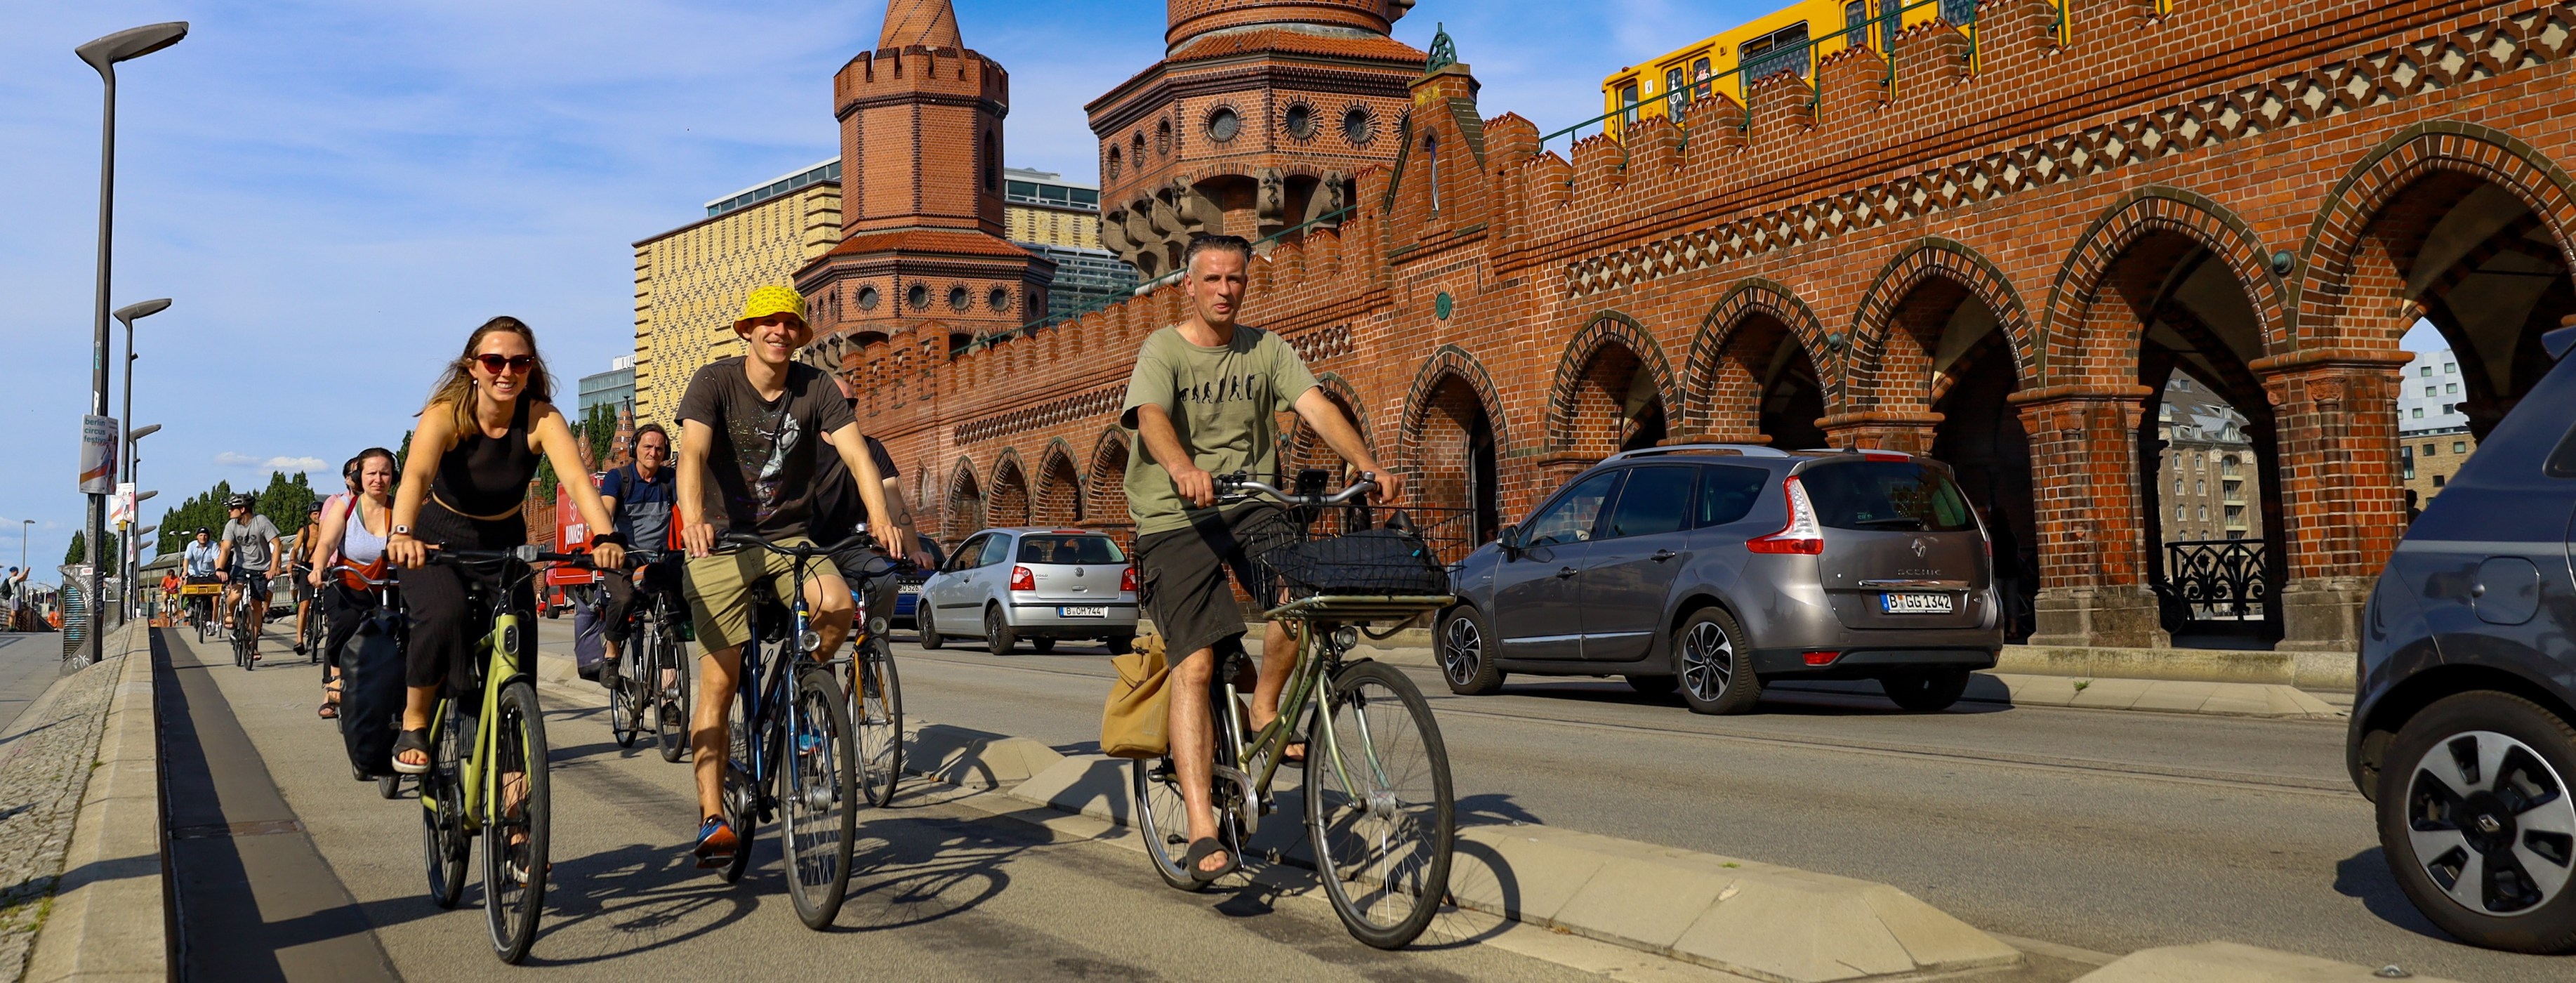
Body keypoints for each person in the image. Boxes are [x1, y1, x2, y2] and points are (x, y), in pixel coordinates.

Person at [1118, 235, 1397, 883]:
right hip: (1175, 516)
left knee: (1297, 603)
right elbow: (1151, 416)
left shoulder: (1266, 349)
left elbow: (1315, 406)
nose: (1224, 290)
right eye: (1212, 279)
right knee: (1195, 664)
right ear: (1188, 286)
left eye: (1235, 279)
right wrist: (1181, 467)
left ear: (1246, 284)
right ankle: (1201, 827)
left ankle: (1263, 707)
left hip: (1251, 504)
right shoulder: (1163, 350)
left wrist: (1367, 463)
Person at [673, 284, 897, 867]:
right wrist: (693, 520)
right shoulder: (714, 382)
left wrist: (880, 516)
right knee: (719, 683)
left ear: (800, 335)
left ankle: (801, 691)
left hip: (788, 540)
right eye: (767, 322)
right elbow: (692, 454)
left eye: (790, 324)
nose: (779, 331)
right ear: (747, 330)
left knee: (838, 606)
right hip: (720, 541)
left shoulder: (815, 387)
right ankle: (712, 817)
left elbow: (857, 455)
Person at [385, 317, 624, 782]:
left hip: (504, 546)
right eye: (494, 361)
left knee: (518, 652)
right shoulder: (447, 412)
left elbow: (578, 481)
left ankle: (515, 791)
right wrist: (401, 533)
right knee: (445, 614)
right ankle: (414, 721)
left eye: (519, 362)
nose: (506, 371)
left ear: (531, 367)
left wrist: (604, 537)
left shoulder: (541, 418)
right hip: (437, 543)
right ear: (472, 366)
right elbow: (414, 476)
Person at [596, 423, 682, 718]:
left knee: (671, 618)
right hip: (623, 559)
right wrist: (608, 542)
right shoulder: (618, 478)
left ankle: (668, 699)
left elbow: (690, 508)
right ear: (635, 449)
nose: (653, 453)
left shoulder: (670, 480)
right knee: (624, 598)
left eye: (659, 448)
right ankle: (611, 655)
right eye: (647, 446)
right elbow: (606, 512)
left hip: (656, 563)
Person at [309, 451, 396, 720]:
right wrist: (318, 566)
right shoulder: (345, 506)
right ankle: (334, 677)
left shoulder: (400, 507)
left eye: (384, 473)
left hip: (389, 585)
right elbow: (327, 542)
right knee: (346, 621)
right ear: (360, 477)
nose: (378, 479)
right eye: (372, 473)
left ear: (393, 477)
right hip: (348, 584)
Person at [216, 494, 286, 657]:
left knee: (256, 606)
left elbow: (278, 545)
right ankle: (229, 612)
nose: (229, 511)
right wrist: (220, 568)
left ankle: (253, 644)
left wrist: (273, 568)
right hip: (241, 566)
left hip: (261, 568)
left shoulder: (261, 521)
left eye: (232, 508)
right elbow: (225, 548)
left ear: (242, 509)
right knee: (235, 594)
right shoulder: (231, 525)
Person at [289, 500, 326, 656]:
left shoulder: (330, 528)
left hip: (324, 567)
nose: (317, 516)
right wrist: (292, 561)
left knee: (331, 601)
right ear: (310, 516)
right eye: (314, 513)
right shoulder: (305, 531)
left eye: (320, 513)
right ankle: (299, 641)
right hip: (307, 567)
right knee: (304, 605)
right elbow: (295, 548)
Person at [182, 528, 220, 626]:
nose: (203, 537)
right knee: (189, 590)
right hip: (194, 575)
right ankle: (190, 606)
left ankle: (208, 622)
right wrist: (185, 572)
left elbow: (216, 559)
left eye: (205, 535)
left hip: (209, 575)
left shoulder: (213, 545)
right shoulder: (191, 546)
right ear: (197, 537)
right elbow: (187, 560)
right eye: (201, 535)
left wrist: (218, 570)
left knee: (210, 596)